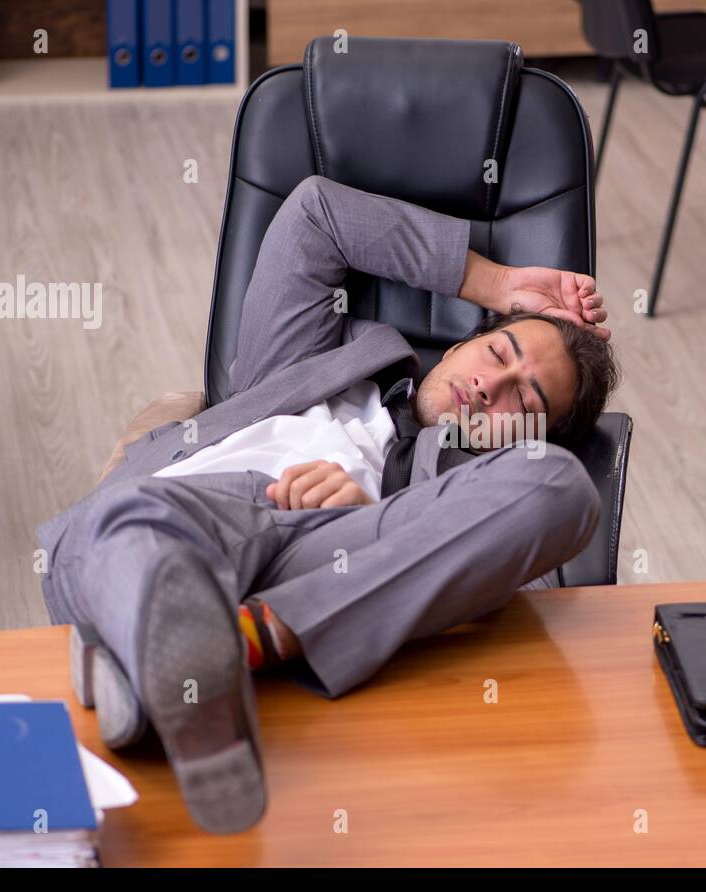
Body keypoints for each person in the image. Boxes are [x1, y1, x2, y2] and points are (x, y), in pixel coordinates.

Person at [37, 175, 619, 833]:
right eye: (498, 352)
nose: (490, 386)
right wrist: (498, 284)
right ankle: (165, 651)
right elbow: (318, 211)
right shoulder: (307, 358)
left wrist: (358, 517)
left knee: (563, 486)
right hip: (162, 522)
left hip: (316, 570)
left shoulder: (445, 499)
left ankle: (209, 648)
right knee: (141, 528)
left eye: (526, 400)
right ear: (460, 344)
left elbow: (524, 573)